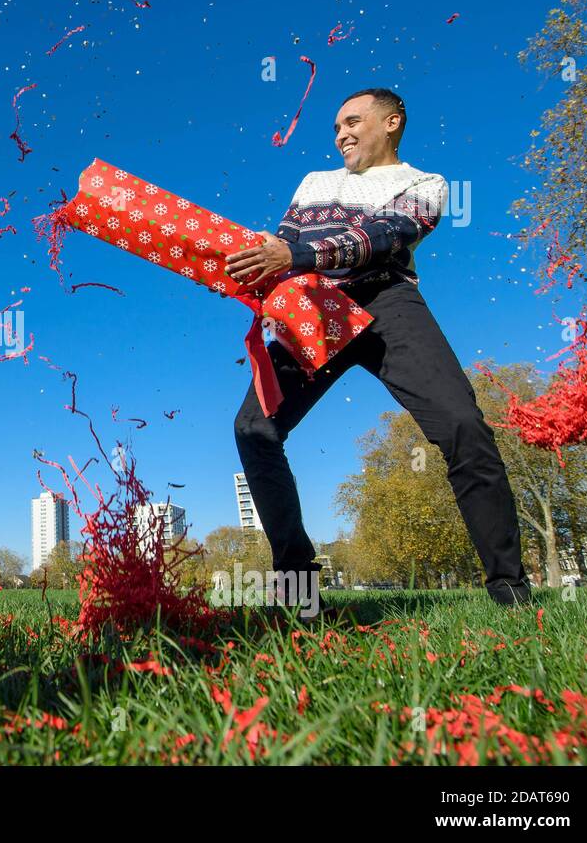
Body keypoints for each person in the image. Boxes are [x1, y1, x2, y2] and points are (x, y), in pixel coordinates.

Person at [224, 88, 531, 611]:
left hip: (388, 300)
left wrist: (295, 253)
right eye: (336, 127)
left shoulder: (426, 184)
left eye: (352, 122)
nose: (341, 134)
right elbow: (284, 245)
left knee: (462, 425)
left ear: (392, 122)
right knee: (254, 429)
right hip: (317, 308)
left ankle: (509, 588)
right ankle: (299, 584)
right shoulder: (315, 183)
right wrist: (257, 264)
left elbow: (384, 235)